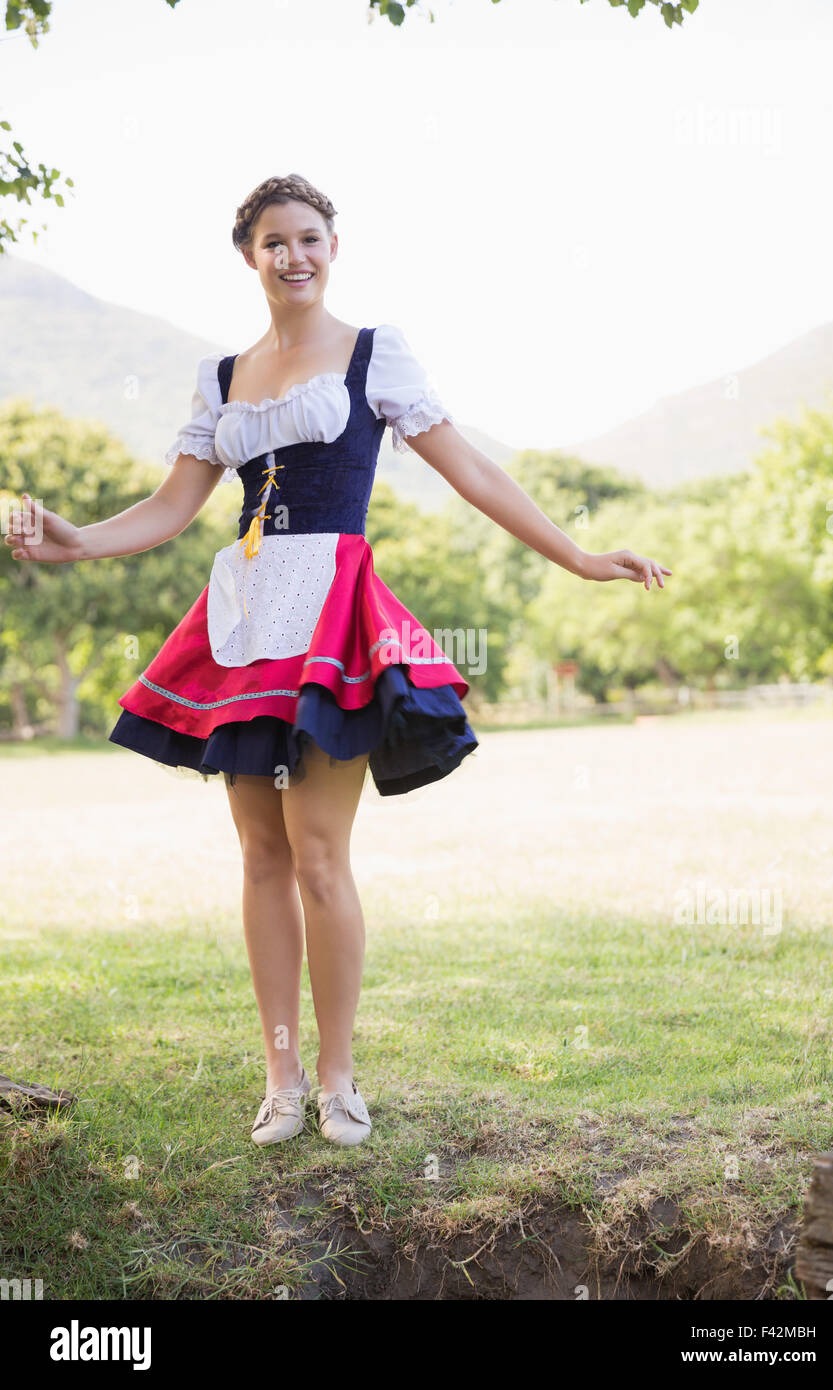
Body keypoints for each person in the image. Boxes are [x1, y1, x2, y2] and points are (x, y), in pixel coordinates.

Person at [3, 173, 671, 1150]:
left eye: (309, 237)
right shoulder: (219, 373)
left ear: (332, 246)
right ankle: (278, 1080)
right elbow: (169, 507)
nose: (294, 255)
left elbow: (470, 466)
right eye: (274, 241)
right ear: (249, 256)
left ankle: (338, 1080)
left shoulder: (372, 354)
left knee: (318, 854)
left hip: (331, 615)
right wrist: (72, 537)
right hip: (243, 617)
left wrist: (575, 554)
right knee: (261, 856)